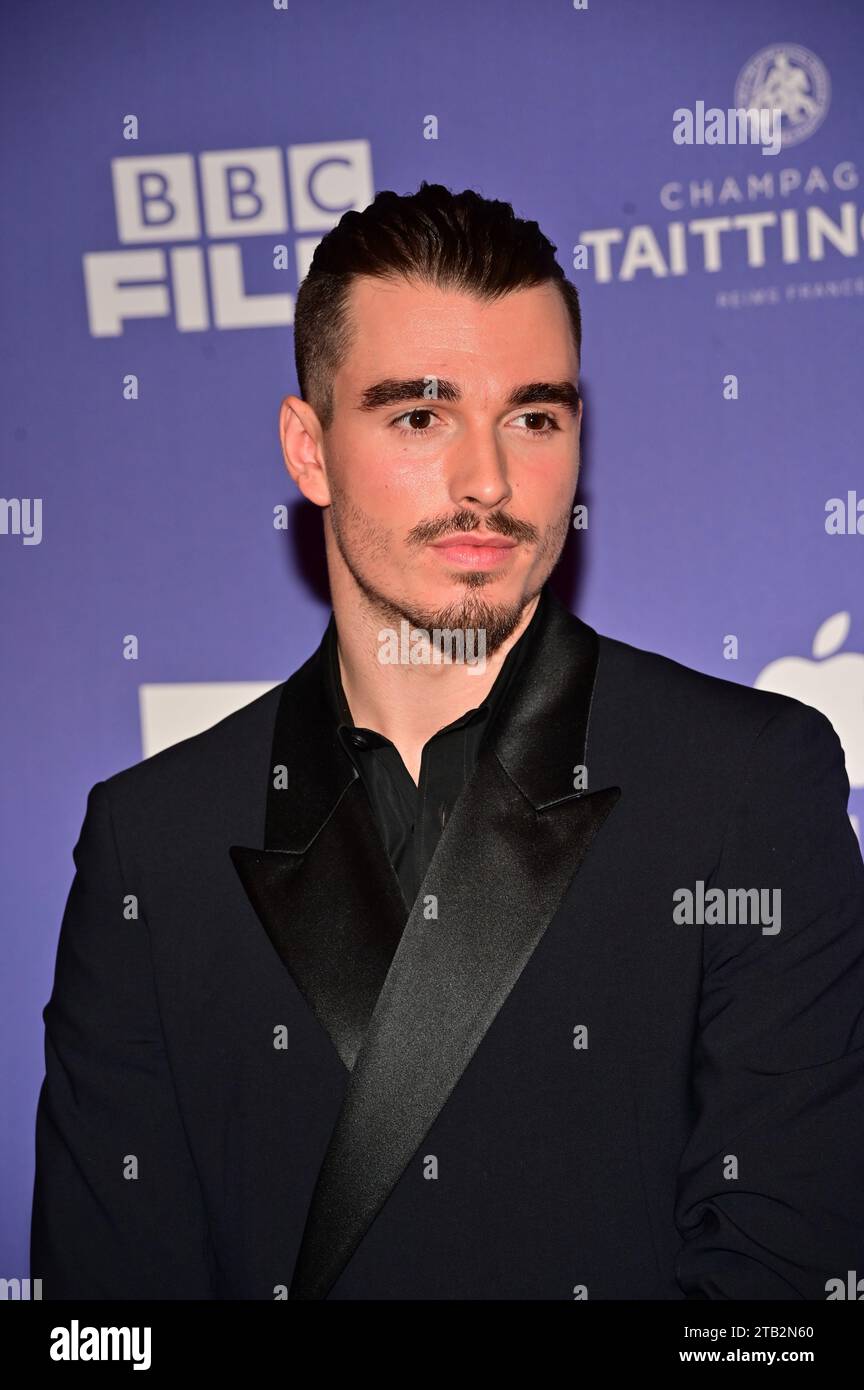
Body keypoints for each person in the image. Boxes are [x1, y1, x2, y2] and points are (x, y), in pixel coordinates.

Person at [31, 182, 864, 1300]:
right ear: (309, 449)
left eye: (534, 415)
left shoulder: (744, 788)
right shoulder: (156, 842)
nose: (489, 480)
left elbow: (783, 1297)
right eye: (419, 415)